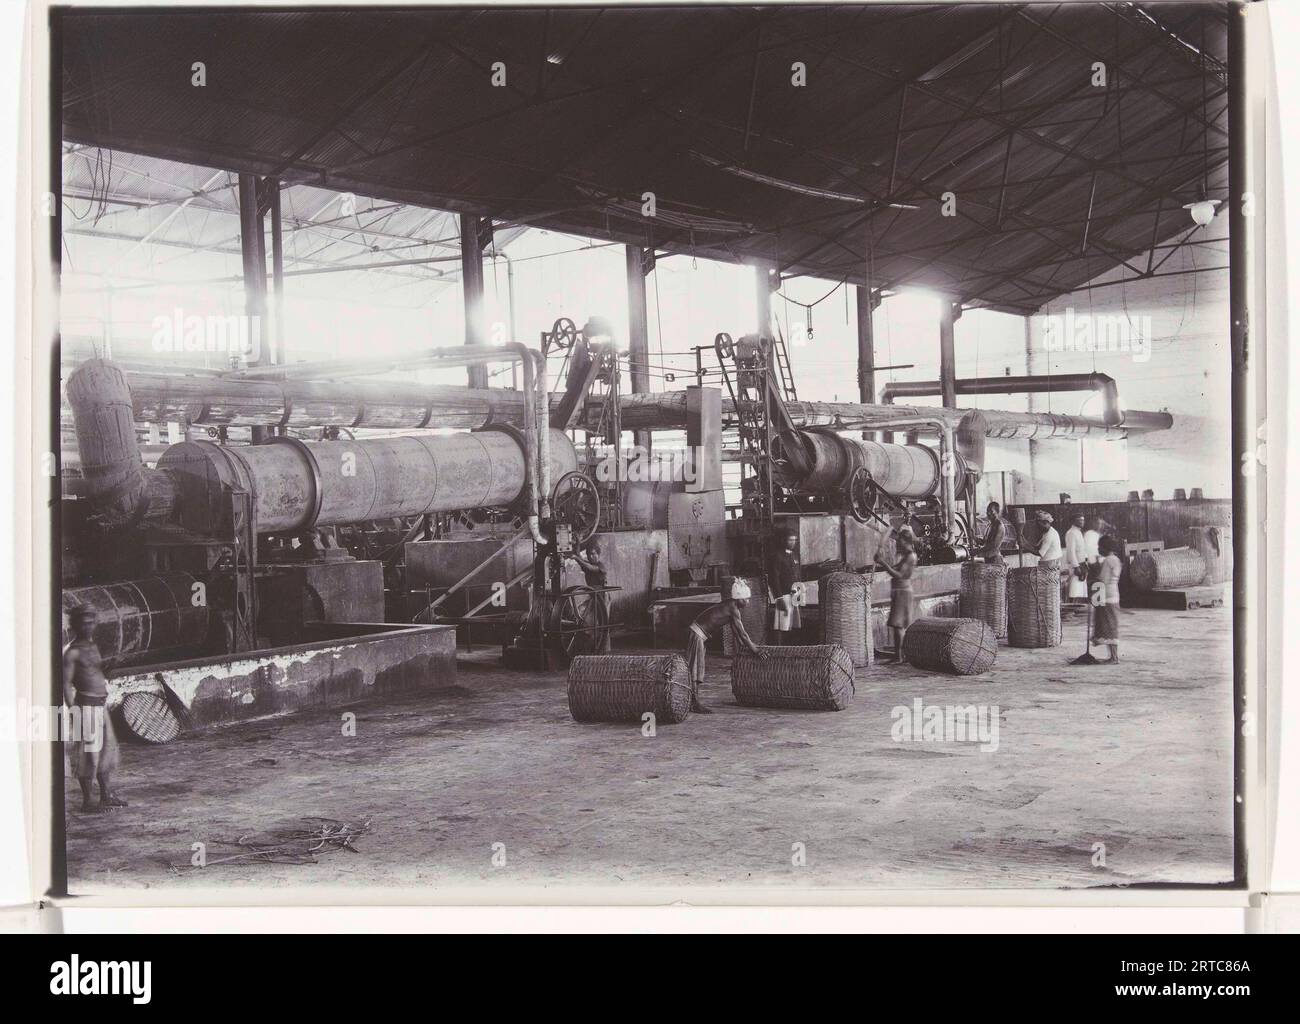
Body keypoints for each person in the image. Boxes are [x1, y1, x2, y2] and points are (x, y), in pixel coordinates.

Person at [63, 607, 126, 813]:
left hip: (101, 706)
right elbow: (65, 685)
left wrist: (108, 668)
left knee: (106, 751)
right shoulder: (72, 652)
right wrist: (75, 712)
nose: (88, 626)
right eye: (83, 622)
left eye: (91, 621)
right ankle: (88, 800)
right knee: (89, 755)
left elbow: (93, 672)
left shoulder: (92, 646)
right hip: (86, 707)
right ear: (75, 625)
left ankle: (106, 796)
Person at [685, 579, 767, 713]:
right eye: (746, 599)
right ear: (739, 598)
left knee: (697, 667)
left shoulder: (731, 606)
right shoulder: (733, 609)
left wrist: (744, 648)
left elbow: (737, 634)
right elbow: (744, 634)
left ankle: (692, 701)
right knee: (695, 669)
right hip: (697, 633)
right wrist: (755, 650)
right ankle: (694, 702)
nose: (748, 602)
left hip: (699, 634)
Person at [874, 527, 919, 664]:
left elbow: (900, 575)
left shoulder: (911, 556)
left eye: (900, 542)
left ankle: (899, 656)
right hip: (899, 592)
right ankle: (897, 655)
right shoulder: (906, 556)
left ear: (906, 541)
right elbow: (894, 569)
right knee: (896, 624)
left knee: (899, 625)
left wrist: (883, 563)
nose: (898, 544)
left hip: (903, 592)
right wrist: (882, 562)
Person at [571, 540, 611, 653]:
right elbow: (580, 559)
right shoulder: (588, 564)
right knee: (586, 618)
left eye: (594, 554)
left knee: (603, 623)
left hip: (602, 597)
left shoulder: (600, 566)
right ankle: (593, 648)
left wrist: (576, 558)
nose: (592, 556)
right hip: (593, 597)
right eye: (589, 554)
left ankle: (604, 651)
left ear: (598, 554)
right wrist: (577, 543)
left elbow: (588, 567)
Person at [1091, 536, 1123, 663]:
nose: (1098, 549)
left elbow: (1102, 580)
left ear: (1105, 548)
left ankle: (1114, 657)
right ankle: (1113, 656)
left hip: (1106, 595)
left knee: (1108, 626)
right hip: (1114, 594)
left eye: (1100, 547)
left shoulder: (1107, 561)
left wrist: (1094, 573)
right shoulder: (1116, 559)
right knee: (1111, 625)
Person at [767, 531, 802, 645]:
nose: (793, 543)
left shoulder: (795, 555)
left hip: (795, 594)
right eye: (790, 540)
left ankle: (790, 648)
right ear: (783, 541)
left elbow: (797, 575)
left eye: (794, 540)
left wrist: (799, 593)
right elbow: (774, 578)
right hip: (784, 595)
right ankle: (779, 649)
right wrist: (779, 598)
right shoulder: (777, 556)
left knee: (794, 623)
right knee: (781, 624)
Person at [1064, 513, 1088, 601]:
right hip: (1076, 566)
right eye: (1080, 520)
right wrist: (1076, 567)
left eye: (1083, 520)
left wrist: (1085, 562)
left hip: (1082, 564)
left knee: (1081, 590)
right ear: (1074, 521)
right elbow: (1071, 551)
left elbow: (1082, 549)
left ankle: (1078, 610)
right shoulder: (1071, 533)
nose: (1082, 522)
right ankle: (1072, 609)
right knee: (1074, 590)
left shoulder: (1078, 532)